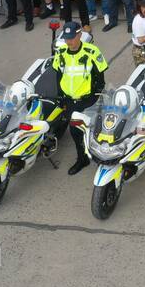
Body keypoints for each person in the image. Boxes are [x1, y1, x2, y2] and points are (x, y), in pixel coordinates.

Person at [49, 21, 109, 174]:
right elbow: (58, 74)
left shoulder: (92, 52)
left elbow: (100, 75)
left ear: (80, 35)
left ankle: (90, 157)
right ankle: (82, 157)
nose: (69, 41)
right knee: (76, 131)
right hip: (69, 100)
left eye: (72, 37)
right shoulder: (61, 52)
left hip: (87, 99)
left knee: (84, 129)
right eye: (67, 38)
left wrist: (96, 92)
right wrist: (60, 96)